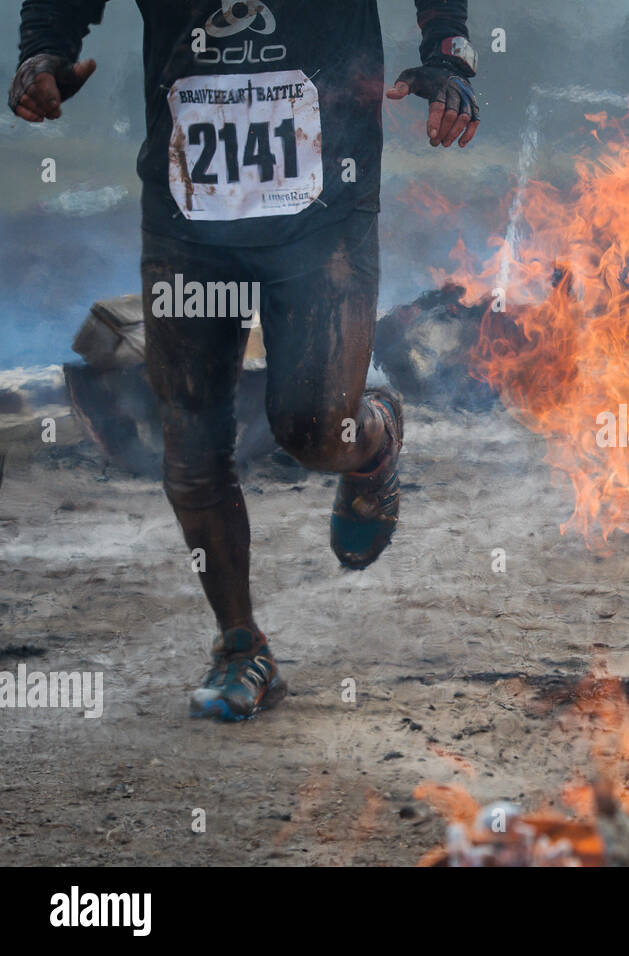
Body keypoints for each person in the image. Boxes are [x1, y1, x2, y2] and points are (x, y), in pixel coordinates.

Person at [10, 0, 481, 721]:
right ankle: (241, 646)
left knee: (310, 429)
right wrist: (43, 53)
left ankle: (372, 439)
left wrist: (449, 53)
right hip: (188, 212)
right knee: (191, 440)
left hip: (325, 205)